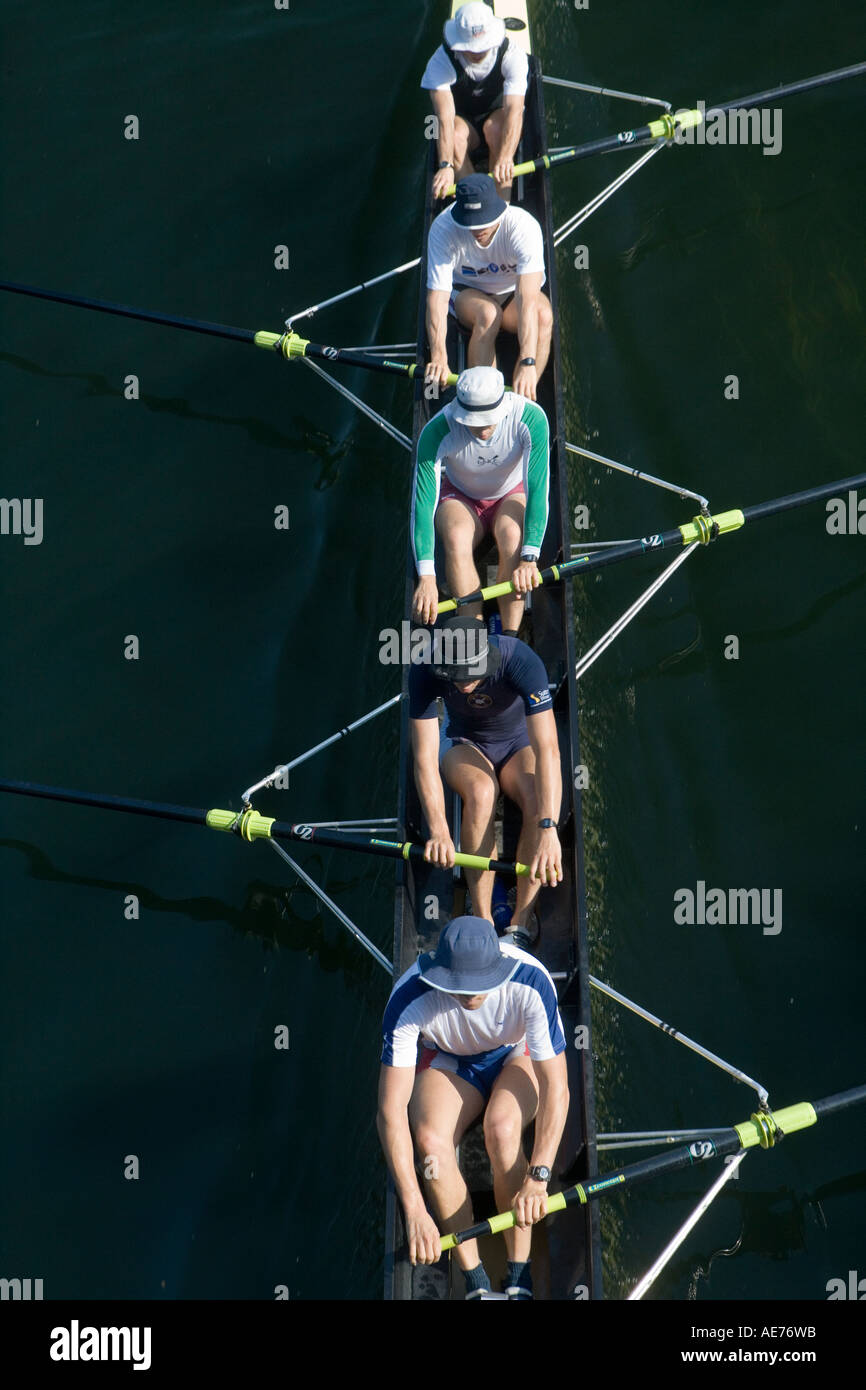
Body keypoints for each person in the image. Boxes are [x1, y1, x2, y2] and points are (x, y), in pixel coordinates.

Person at [377, 915, 569, 1299]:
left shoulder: (531, 981)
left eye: (479, 984)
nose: (469, 994)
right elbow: (389, 1113)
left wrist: (539, 1176)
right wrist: (414, 1208)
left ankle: (519, 1275)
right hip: (451, 1062)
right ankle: (476, 1280)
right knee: (431, 1145)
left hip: (517, 1052)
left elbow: (557, 1089)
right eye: (458, 986)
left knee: (502, 1129)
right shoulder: (408, 996)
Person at [409, 612, 562, 938]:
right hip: (463, 742)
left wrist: (549, 827)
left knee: (537, 801)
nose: (463, 683)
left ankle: (520, 923)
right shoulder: (424, 670)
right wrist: (438, 830)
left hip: (518, 744)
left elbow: (548, 749)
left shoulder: (520, 660)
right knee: (481, 793)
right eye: (455, 675)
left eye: (470, 675)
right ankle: (483, 922)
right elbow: (424, 759)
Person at [411, 364, 549, 635]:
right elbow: (422, 507)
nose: (482, 430)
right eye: (473, 423)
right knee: (455, 535)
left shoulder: (531, 418)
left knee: (511, 534)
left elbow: (538, 490)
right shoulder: (436, 431)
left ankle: (510, 638)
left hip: (511, 492)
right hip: (461, 497)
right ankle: (471, 633)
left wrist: (529, 558)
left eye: (488, 421)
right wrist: (426, 577)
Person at [425, 174, 552, 400]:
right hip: (466, 294)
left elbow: (527, 300)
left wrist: (527, 359)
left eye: (484, 220)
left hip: (512, 294)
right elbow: (437, 300)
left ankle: (522, 397)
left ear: (498, 208)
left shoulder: (523, 227)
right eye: (470, 221)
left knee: (543, 316)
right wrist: (439, 356)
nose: (477, 228)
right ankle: (483, 402)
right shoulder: (443, 229)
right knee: (489, 314)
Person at [421, 1, 529, 200]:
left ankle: (501, 204)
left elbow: (515, 110)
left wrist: (506, 157)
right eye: (470, 48)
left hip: (497, 118)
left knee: (496, 129)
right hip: (462, 123)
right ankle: (477, 201)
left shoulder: (513, 55)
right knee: (452, 137)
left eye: (482, 47)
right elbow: (444, 118)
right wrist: (446, 165)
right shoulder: (440, 62)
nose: (477, 52)